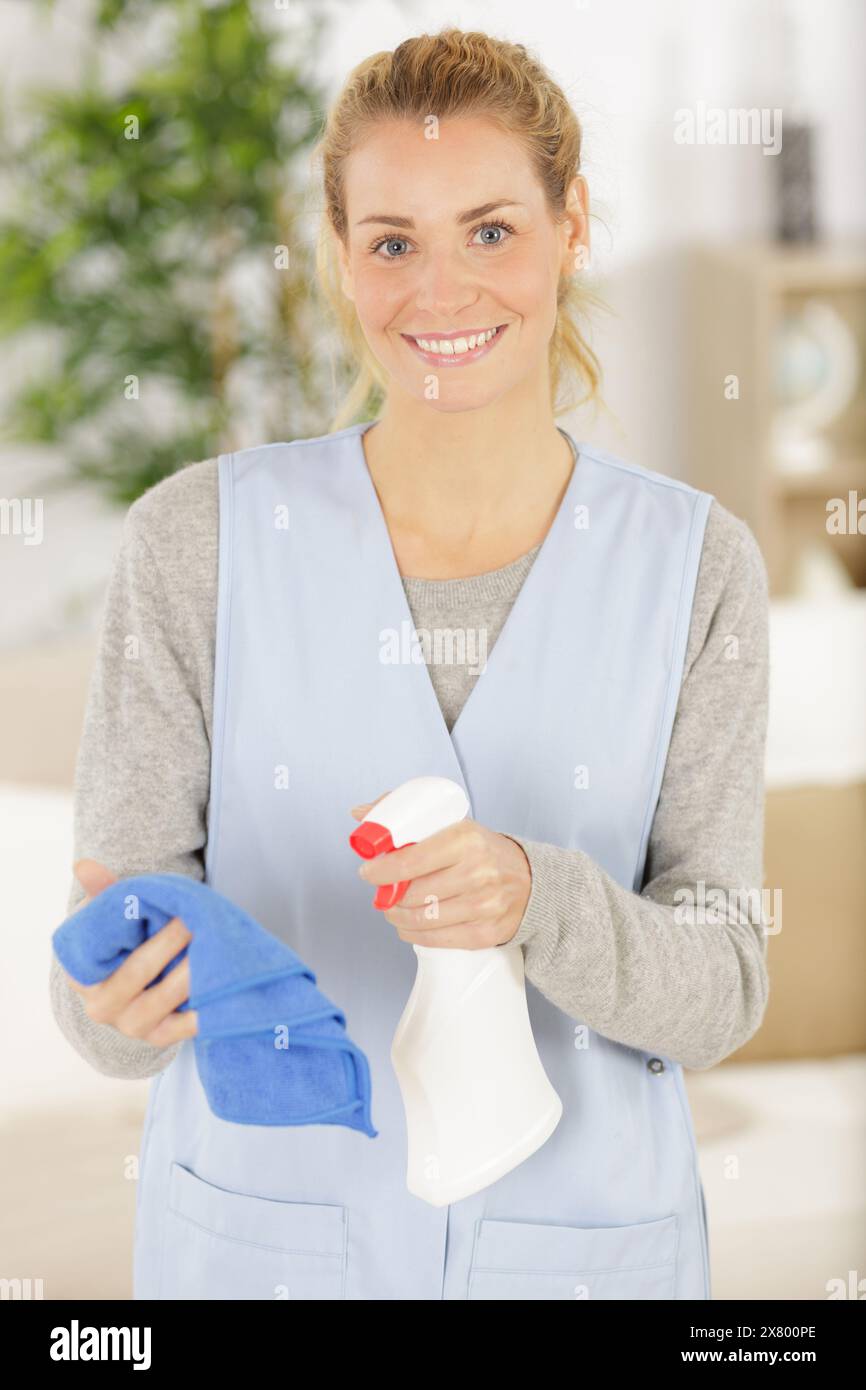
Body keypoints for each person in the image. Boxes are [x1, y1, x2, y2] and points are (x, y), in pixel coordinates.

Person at [51, 27, 769, 1300]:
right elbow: (104, 989)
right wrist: (110, 1006)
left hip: (583, 1259)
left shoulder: (695, 566)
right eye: (392, 242)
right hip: (264, 1255)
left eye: (489, 230)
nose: (440, 292)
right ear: (339, 256)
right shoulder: (195, 546)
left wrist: (536, 899)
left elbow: (722, 988)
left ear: (571, 225)